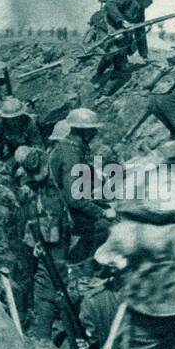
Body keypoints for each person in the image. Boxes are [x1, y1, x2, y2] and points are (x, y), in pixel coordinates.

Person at [14, 146, 72, 341]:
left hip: (39, 235)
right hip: (47, 237)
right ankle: (43, 337)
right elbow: (52, 229)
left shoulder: (28, 184)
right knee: (51, 280)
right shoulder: (45, 193)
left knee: (47, 280)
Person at [49, 107, 115, 261]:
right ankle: (86, 268)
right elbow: (75, 198)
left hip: (63, 199)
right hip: (61, 209)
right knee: (105, 227)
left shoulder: (71, 146)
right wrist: (102, 212)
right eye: (92, 130)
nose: (95, 133)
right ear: (82, 131)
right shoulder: (71, 155)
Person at [95, 0, 155, 94]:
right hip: (108, 27)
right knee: (110, 54)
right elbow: (109, 5)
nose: (151, 3)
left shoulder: (140, 11)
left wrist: (144, 54)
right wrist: (122, 21)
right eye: (149, 0)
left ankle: (105, 93)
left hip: (121, 33)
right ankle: (98, 76)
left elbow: (140, 31)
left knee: (122, 66)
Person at [0, 97, 42, 164]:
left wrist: (35, 156)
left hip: (28, 152)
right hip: (12, 151)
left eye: (16, 117)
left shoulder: (29, 123)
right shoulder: (1, 123)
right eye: (10, 118)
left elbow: (37, 144)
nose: (13, 120)